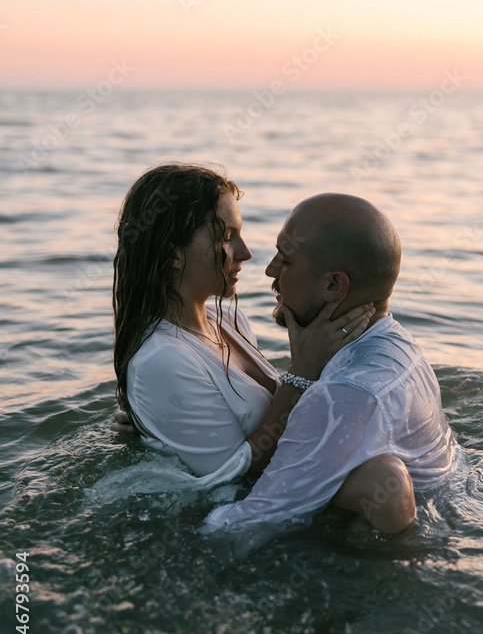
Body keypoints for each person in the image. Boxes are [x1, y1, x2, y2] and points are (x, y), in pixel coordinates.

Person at [202, 192, 457, 536]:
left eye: (285, 259)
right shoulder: (402, 347)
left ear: (334, 285)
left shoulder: (342, 394)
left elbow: (246, 524)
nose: (269, 270)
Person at [113, 164, 374, 492]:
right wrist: (305, 368)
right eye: (226, 237)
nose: (246, 253)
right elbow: (232, 478)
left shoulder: (229, 321)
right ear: (173, 253)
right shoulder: (162, 360)